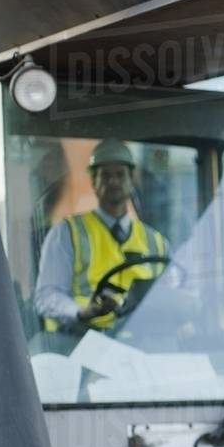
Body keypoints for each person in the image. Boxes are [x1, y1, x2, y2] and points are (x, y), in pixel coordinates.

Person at [34, 138, 168, 333]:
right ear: (93, 181)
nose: (113, 182)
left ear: (132, 179)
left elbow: (173, 295)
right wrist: (81, 311)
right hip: (80, 343)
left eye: (120, 175)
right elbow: (46, 297)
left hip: (143, 344)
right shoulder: (67, 234)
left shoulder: (156, 242)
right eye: (105, 175)